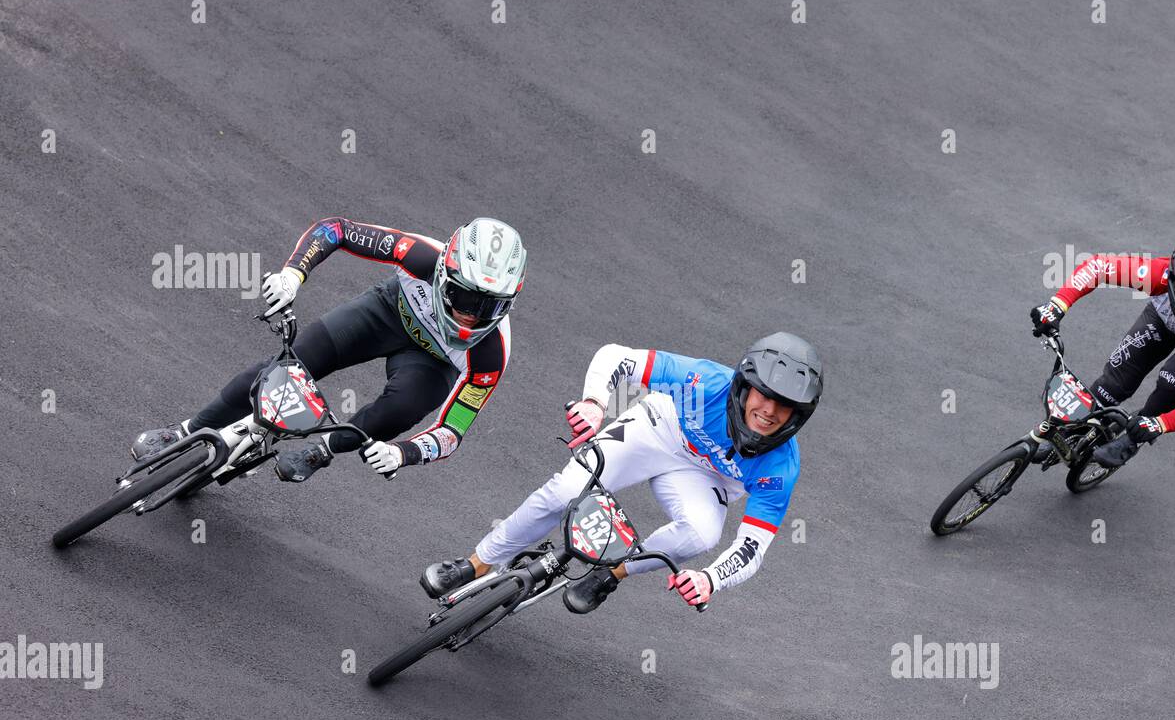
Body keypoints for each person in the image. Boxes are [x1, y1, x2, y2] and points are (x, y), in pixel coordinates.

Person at [412, 334, 823, 613]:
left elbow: (753, 546)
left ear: (798, 416)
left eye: (784, 406)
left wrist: (712, 579)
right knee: (565, 492)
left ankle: (611, 573)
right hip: (660, 430)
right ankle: (478, 562)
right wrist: (595, 401)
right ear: (743, 387)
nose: (769, 412)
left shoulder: (781, 466)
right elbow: (616, 357)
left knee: (703, 535)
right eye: (764, 396)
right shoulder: (706, 381)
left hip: (706, 481)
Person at [131, 216, 524, 481]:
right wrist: (292, 275)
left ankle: (323, 450)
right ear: (442, 273)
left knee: (398, 411)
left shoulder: (491, 355)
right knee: (287, 365)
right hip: (388, 313)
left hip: (432, 363)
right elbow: (336, 230)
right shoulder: (422, 254)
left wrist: (405, 453)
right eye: (461, 296)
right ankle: (186, 429)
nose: (470, 316)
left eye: (487, 306)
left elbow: (453, 431)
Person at [1029, 225, 1175, 467]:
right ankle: (1075, 428)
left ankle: (1133, 441)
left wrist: (1160, 424)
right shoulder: (1160, 274)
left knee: (1171, 382)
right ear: (1173, 274)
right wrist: (1058, 305)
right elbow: (1098, 267)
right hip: (1164, 320)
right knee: (1114, 381)